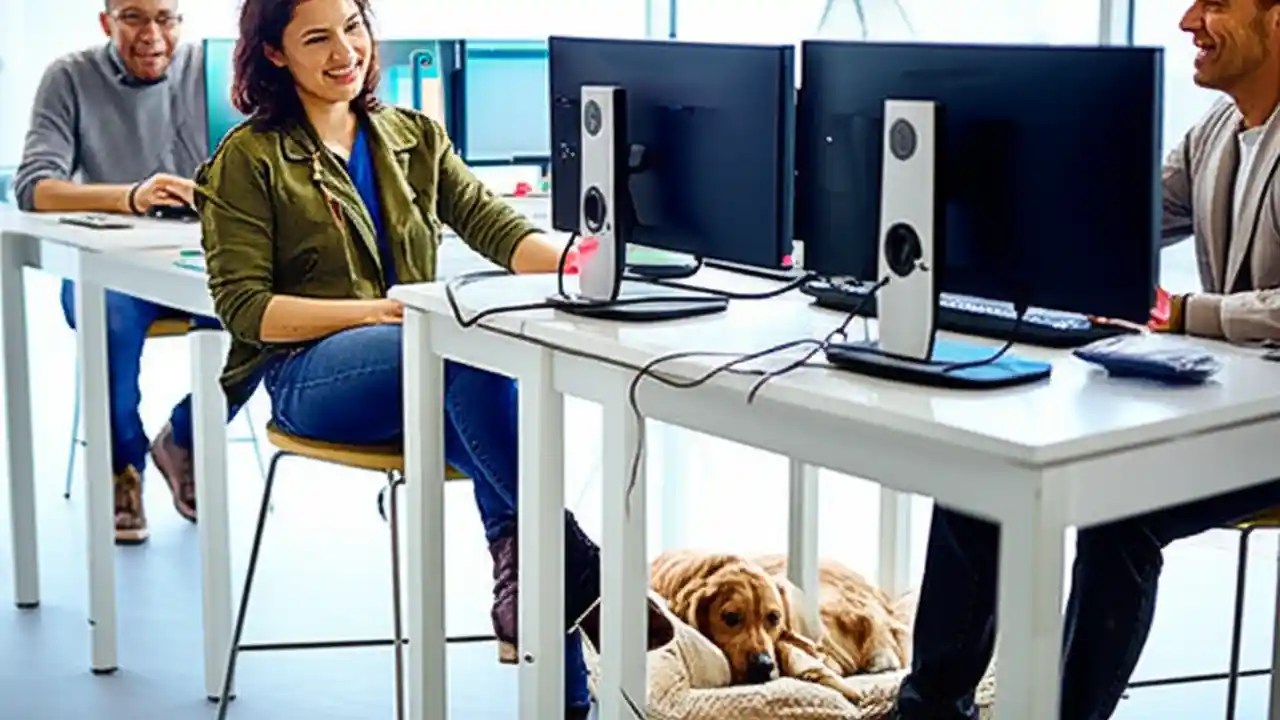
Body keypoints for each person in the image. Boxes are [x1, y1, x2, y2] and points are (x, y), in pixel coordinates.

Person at [193, 0, 673, 716]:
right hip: (311, 373)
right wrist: (386, 309)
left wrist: (594, 266)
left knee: (480, 380)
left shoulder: (411, 134)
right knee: (459, 350)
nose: (344, 51)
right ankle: (567, 559)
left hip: (424, 362)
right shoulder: (249, 158)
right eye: (317, 38)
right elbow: (248, 310)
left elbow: (501, 232)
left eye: (353, 28)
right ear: (272, 54)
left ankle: (555, 600)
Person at [894, 1, 1280, 718]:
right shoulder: (1216, 134)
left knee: (1120, 514)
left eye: (1217, 4)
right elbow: (1112, 218)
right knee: (984, 461)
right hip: (1234, 401)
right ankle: (931, 709)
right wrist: (990, 200)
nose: (1189, 20)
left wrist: (1185, 312)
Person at [13, 0, 239, 545]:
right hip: (111, 269)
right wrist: (131, 197)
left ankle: (184, 437)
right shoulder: (69, 77)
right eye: (134, 17)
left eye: (166, 18)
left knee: (265, 314)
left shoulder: (214, 73)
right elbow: (33, 186)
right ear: (106, 22)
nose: (153, 35)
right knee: (109, 314)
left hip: (198, 266)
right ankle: (123, 467)